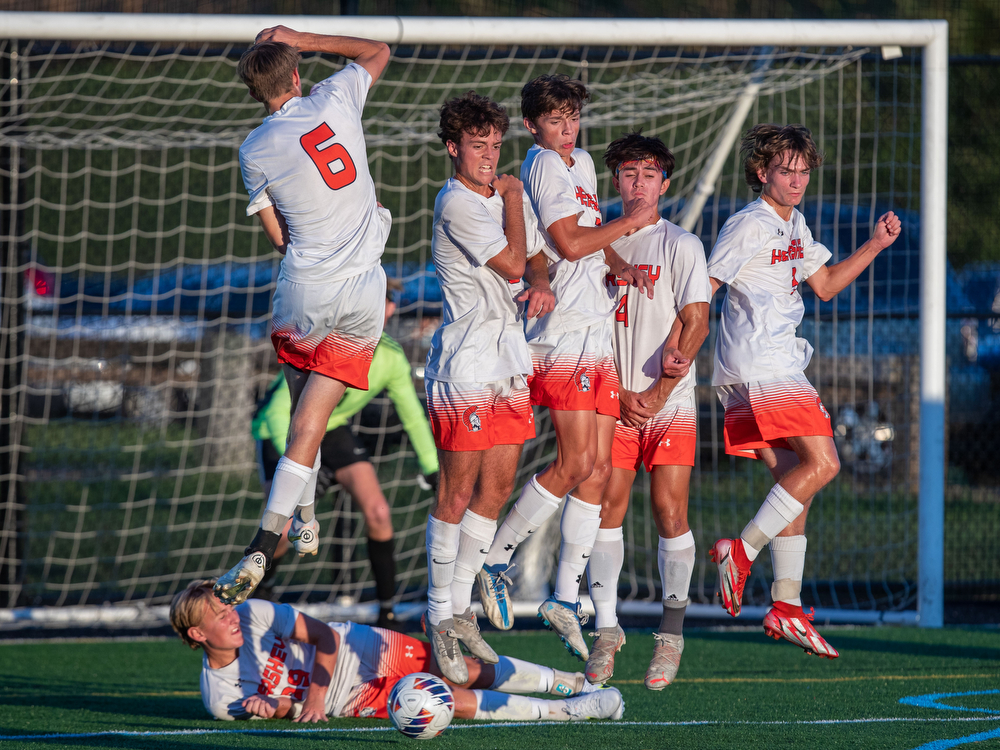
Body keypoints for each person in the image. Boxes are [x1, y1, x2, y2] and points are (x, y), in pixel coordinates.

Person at [477, 74, 654, 661]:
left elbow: (586, 234)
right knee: (576, 460)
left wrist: (619, 262)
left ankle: (562, 595)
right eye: (555, 119)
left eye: (573, 115)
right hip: (564, 335)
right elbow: (566, 242)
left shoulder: (576, 161)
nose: (567, 127)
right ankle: (495, 559)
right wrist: (628, 227)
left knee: (599, 470)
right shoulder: (544, 165)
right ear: (533, 125)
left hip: (595, 325)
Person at [707, 123, 901, 658]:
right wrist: (676, 350)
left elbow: (827, 285)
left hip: (751, 369)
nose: (795, 180)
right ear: (761, 172)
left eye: (802, 171)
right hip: (763, 364)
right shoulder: (748, 223)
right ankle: (740, 550)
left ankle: (786, 607)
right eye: (784, 170)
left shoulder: (796, 225)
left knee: (797, 482)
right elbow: (706, 287)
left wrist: (877, 243)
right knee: (827, 463)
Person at [216, 26, 392, 605]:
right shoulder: (334, 99)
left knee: (297, 407)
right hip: (357, 293)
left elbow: (279, 238)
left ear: (253, 90)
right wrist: (303, 36)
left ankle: (306, 519)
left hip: (300, 290)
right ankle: (266, 542)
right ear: (296, 74)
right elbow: (377, 50)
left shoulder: (253, 150)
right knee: (314, 419)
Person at [422, 92, 554, 684]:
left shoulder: (490, 199)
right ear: (454, 148)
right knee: (455, 496)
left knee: (495, 492)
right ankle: (437, 617)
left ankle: (461, 609)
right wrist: (514, 196)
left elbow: (541, 261)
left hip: (507, 360)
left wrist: (542, 271)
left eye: (496, 146)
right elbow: (517, 261)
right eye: (479, 146)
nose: (489, 156)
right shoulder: (458, 202)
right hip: (466, 366)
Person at [588, 133, 710, 687]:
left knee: (669, 510)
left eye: (649, 175)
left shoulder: (680, 244)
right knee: (605, 508)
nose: (639, 184)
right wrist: (617, 397)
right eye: (629, 174)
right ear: (616, 181)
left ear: (666, 182)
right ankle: (607, 631)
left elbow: (696, 321)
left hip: (668, 402)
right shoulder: (595, 244)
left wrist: (658, 393)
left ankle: (671, 633)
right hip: (612, 402)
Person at [170, 579, 625, 724]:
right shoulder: (220, 698)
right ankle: (567, 712)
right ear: (196, 635)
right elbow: (283, 709)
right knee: (448, 700)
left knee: (460, 669)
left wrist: (309, 697)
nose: (231, 615)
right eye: (217, 614)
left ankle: (568, 683)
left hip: (354, 645)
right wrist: (277, 706)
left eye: (225, 605)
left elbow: (325, 638)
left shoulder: (252, 612)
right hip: (346, 698)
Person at [252, 279, 439, 629]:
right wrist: (300, 468)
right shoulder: (325, 344)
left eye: (384, 302)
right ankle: (258, 593)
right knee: (284, 526)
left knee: (379, 511)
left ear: (389, 309)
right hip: (283, 433)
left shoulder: (391, 357)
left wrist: (431, 467)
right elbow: (280, 414)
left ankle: (387, 613)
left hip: (333, 430)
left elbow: (412, 415)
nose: (380, 309)